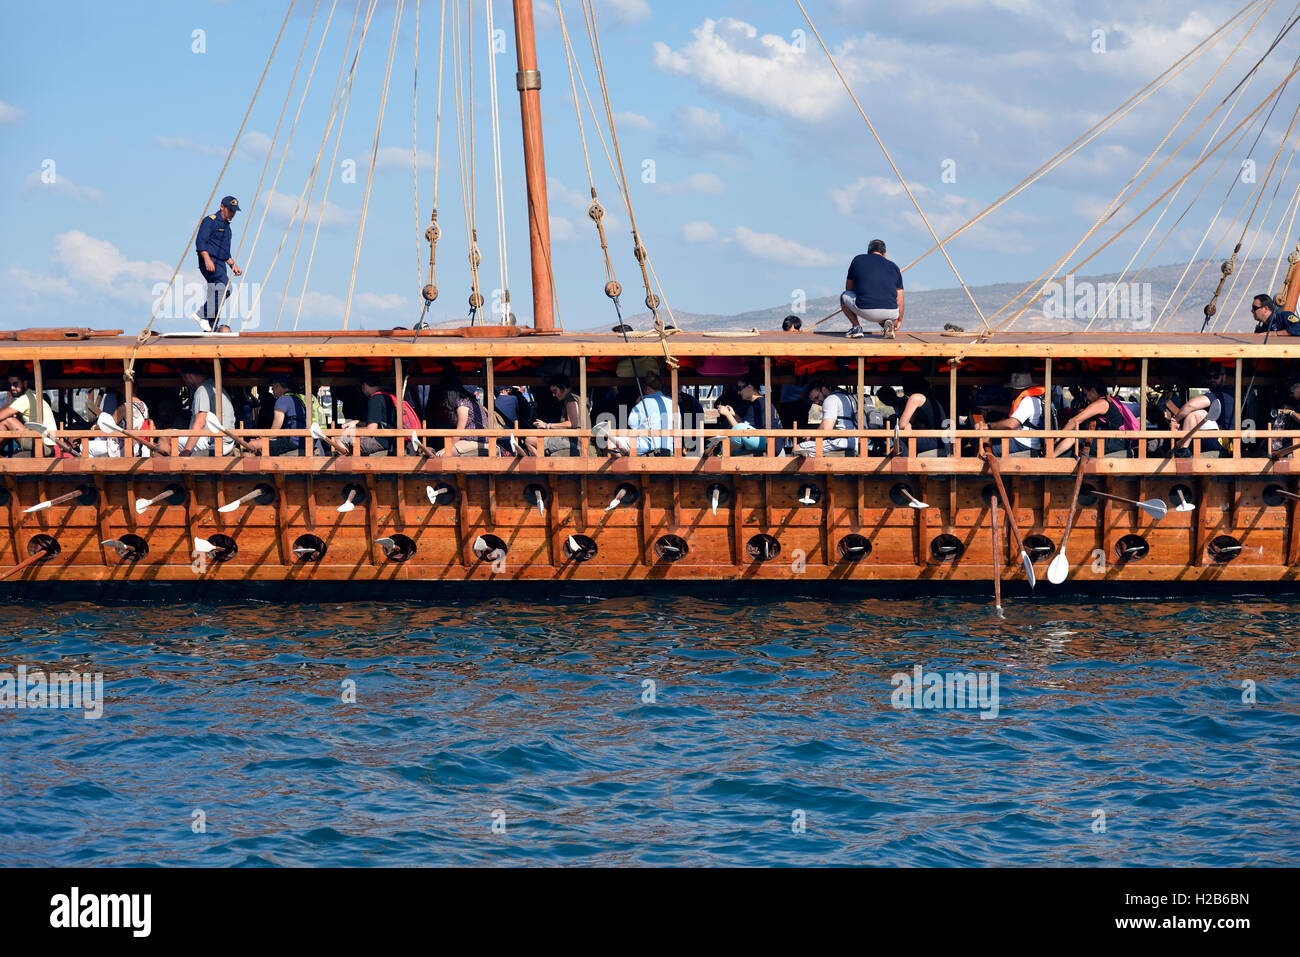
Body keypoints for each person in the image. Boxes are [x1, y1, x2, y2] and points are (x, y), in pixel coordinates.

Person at [195, 196, 243, 332]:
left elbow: (224, 252)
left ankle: (210, 327)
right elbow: (200, 242)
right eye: (230, 210)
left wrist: (233, 265)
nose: (232, 214)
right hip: (210, 261)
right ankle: (202, 314)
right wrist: (207, 259)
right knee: (225, 289)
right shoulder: (210, 221)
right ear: (222, 207)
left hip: (220, 263)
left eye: (234, 211)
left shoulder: (227, 227)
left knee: (217, 293)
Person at [1052, 377, 1132, 458]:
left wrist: (1059, 436)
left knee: (1073, 438)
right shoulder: (1107, 401)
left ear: (1093, 390)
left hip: (1114, 442)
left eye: (1085, 394)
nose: (1084, 398)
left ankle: (1050, 458)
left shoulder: (1102, 403)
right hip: (1114, 441)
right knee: (1075, 438)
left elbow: (1075, 420)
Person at [841, 238, 904, 340]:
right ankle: (889, 324)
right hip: (890, 312)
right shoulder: (894, 267)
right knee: (890, 313)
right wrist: (899, 320)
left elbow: (849, 289)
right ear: (885, 253)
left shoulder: (858, 260)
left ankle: (856, 327)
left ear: (868, 252)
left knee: (843, 296)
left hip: (866, 309)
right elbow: (900, 299)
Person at [716, 371, 786, 455]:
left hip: (770, 443)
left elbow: (740, 431)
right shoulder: (761, 402)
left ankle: (722, 457)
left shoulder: (758, 403)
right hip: (775, 443)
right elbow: (748, 427)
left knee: (736, 432)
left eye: (740, 388)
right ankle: (724, 456)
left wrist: (727, 414)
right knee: (736, 449)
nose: (739, 392)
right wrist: (733, 415)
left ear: (750, 387)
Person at [974, 370, 1042, 456]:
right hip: (1024, 441)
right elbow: (1011, 409)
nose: (1012, 392)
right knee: (989, 439)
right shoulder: (1034, 399)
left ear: (1016, 389)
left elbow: (1012, 424)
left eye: (1012, 389)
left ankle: (982, 468)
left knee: (985, 445)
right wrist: (991, 408)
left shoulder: (1028, 401)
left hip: (1022, 444)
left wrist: (988, 426)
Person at [1171, 364, 1233, 457]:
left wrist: (1176, 419)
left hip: (1222, 441)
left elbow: (1191, 405)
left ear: (1224, 377)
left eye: (1216, 376)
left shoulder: (1223, 393)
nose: (1212, 379)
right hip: (1215, 438)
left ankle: (1183, 451)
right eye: (1209, 377)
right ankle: (1183, 449)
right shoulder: (1222, 393)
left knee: (1196, 414)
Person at [178, 362, 236, 456]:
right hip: (226, 440)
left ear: (189, 376)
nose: (185, 382)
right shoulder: (213, 386)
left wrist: (186, 450)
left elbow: (200, 422)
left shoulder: (202, 390)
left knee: (166, 439)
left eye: (184, 379)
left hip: (215, 441)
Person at [0, 367, 57, 456]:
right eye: (10, 384)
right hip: (43, 442)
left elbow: (1, 415)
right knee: (8, 420)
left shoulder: (26, 398)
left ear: (25, 383)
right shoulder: (31, 396)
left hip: (41, 444)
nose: (12, 387)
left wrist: (8, 402)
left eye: (15, 384)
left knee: (7, 420)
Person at [796, 380, 858, 456]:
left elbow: (826, 429)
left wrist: (811, 435)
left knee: (798, 448)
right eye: (814, 401)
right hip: (854, 440)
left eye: (817, 397)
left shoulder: (830, 400)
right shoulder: (844, 396)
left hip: (842, 441)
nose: (817, 402)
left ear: (824, 390)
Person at [535, 375, 589, 457]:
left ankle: (540, 465)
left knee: (530, 440)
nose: (554, 395)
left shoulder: (571, 399)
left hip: (573, 441)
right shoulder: (576, 397)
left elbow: (572, 424)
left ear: (563, 387)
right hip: (577, 439)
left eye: (555, 391)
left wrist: (547, 425)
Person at [897, 374, 949, 457]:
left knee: (901, 437)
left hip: (936, 440)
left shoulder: (915, 397)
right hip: (943, 440)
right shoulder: (931, 400)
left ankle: (905, 466)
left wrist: (908, 424)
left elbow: (902, 424)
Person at [625, 373, 677, 456]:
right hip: (669, 450)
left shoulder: (644, 403)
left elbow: (632, 423)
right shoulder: (673, 403)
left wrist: (637, 404)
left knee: (616, 440)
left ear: (647, 389)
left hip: (647, 450)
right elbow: (678, 425)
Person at [87, 389, 150, 458]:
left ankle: (94, 467)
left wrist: (94, 427)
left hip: (122, 446)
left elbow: (109, 425)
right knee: (99, 439)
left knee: (85, 447)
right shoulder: (144, 406)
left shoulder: (124, 407)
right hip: (137, 446)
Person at [436, 381, 491, 457]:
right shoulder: (473, 402)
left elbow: (460, 431)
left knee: (443, 455)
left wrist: (446, 448)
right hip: (482, 441)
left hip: (473, 441)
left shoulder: (463, 404)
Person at [267, 373, 308, 456]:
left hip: (292, 441)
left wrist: (263, 439)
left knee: (256, 445)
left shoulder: (282, 400)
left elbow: (275, 430)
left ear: (277, 386)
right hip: (303, 441)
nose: (273, 392)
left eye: (272, 388)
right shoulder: (298, 398)